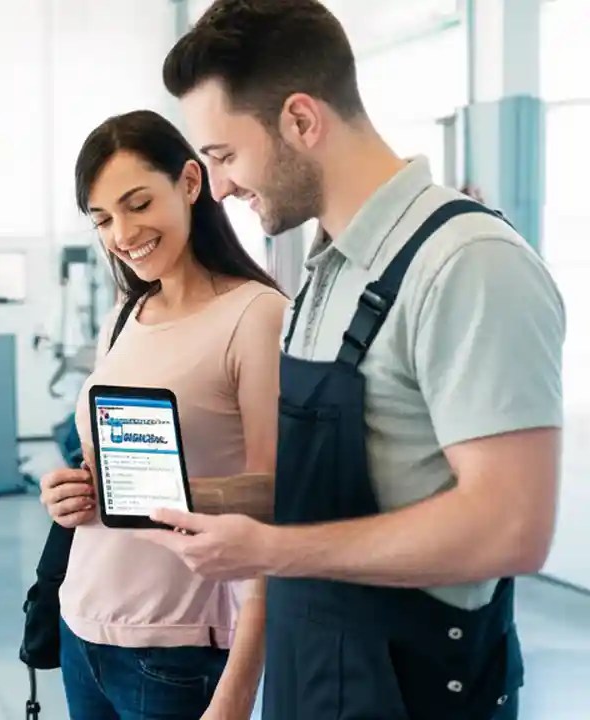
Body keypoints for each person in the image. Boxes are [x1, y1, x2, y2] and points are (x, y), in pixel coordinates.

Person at [142, 2, 565, 719]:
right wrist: (200, 505)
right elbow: (337, 482)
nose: (218, 189)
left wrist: (272, 550)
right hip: (317, 680)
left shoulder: (468, 265)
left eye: (224, 156)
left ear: (301, 121)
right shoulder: (327, 271)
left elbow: (511, 528)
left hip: (416, 692)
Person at [38, 109, 287, 720]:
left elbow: (279, 507)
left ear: (191, 184)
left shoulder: (257, 315)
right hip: (83, 627)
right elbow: (103, 472)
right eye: (102, 218)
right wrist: (69, 493)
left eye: (137, 203)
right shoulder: (125, 314)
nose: (122, 233)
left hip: (177, 652)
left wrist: (236, 692)